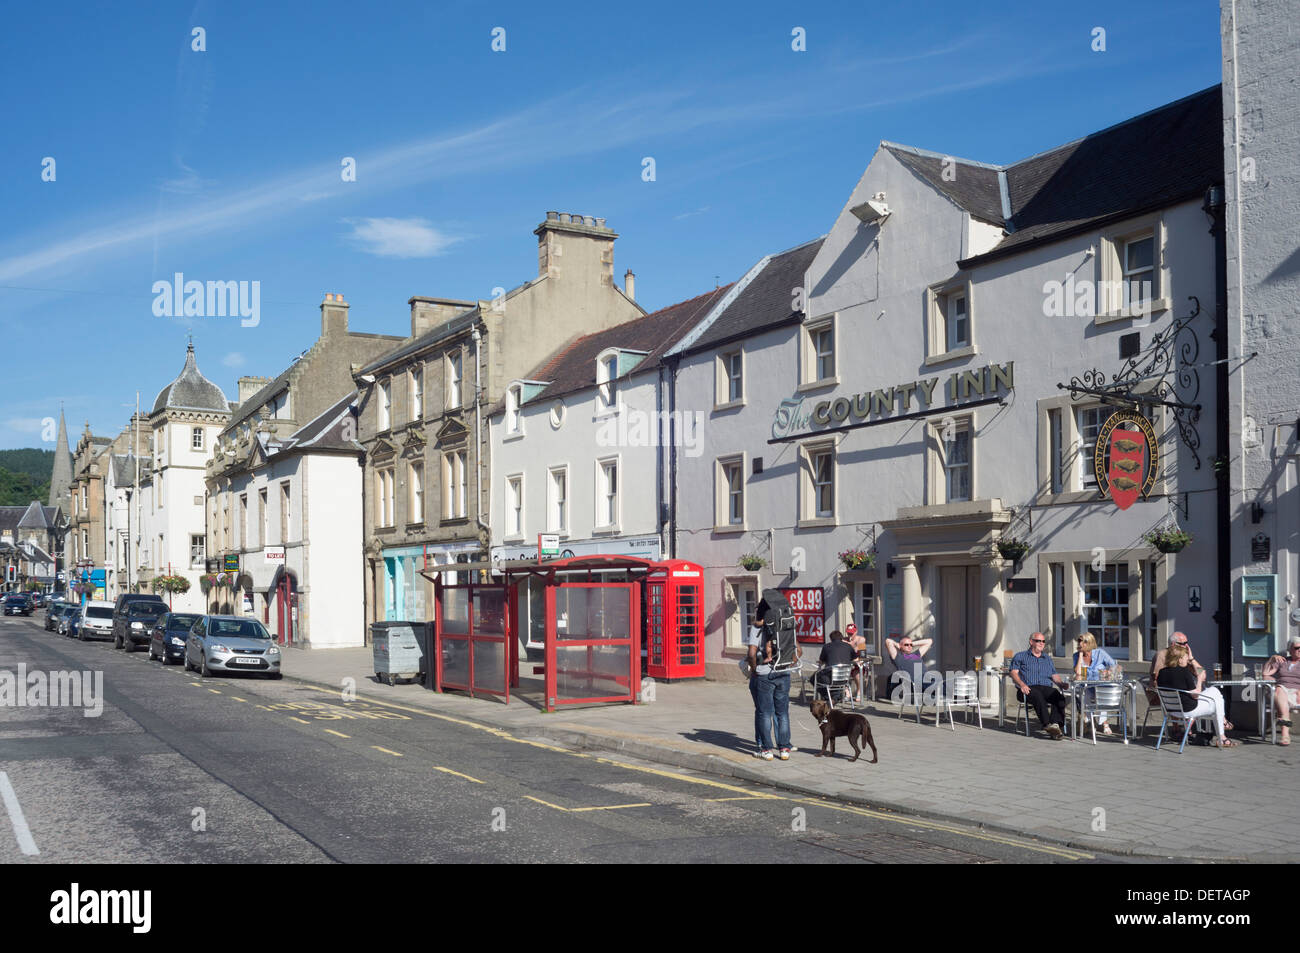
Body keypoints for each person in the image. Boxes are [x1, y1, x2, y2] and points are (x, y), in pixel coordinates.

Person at [745, 603, 801, 761]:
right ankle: (784, 749)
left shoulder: (757, 628)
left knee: (764, 713)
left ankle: (767, 750)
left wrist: (755, 669)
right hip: (783, 673)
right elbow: (799, 651)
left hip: (765, 674)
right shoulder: (785, 626)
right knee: (782, 713)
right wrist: (787, 665)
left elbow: (751, 653)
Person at [1156, 642, 1236, 747]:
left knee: (1214, 693)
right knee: (1217, 699)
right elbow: (1196, 695)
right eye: (1186, 658)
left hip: (1172, 711)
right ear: (1180, 659)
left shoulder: (1161, 672)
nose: (1187, 661)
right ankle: (1222, 735)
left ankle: (1223, 728)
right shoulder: (1184, 672)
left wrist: (1191, 658)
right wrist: (1199, 680)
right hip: (1189, 710)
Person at [1010, 632, 1068, 739]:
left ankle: (1055, 725)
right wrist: (1022, 685)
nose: (1042, 643)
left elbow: (1054, 675)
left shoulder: (1047, 658)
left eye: (1043, 641)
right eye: (1038, 641)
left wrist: (1061, 683)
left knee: (1058, 696)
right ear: (1031, 642)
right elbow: (1013, 673)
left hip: (1045, 688)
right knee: (1037, 695)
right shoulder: (1020, 656)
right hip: (1027, 688)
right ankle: (1047, 724)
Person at [1073, 632, 1118, 735]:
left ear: (1090, 643)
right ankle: (1092, 722)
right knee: (1085, 696)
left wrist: (1109, 671)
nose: (1080, 643)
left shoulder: (1100, 653)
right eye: (1079, 640)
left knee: (1101, 695)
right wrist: (1080, 655)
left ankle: (1104, 723)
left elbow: (1114, 665)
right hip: (1086, 686)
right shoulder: (1076, 656)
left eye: (1083, 641)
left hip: (1101, 685)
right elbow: (1078, 673)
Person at [1262, 636, 1300, 746]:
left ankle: (1285, 733)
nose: (1299, 650)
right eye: (1297, 648)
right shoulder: (1283, 661)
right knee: (1279, 689)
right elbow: (1265, 673)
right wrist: (1271, 659)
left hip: (1295, 692)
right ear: (1290, 649)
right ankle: (1285, 733)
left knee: (1279, 693)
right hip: (1281, 690)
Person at [885, 633, 933, 701]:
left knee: (943, 683)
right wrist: (897, 645)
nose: (909, 646)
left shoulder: (916, 654)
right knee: (940, 687)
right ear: (900, 645)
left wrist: (913, 643)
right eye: (906, 645)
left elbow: (929, 641)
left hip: (928, 679)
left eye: (911, 645)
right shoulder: (898, 657)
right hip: (919, 683)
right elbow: (888, 641)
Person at [815, 629, 857, 705]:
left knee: (814, 678)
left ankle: (829, 698)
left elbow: (821, 661)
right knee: (832, 683)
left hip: (831, 678)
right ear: (841, 638)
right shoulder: (848, 646)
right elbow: (856, 659)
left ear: (831, 639)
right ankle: (835, 697)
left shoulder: (826, 646)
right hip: (845, 679)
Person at [845, 622, 868, 703]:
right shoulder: (844, 640)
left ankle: (859, 691)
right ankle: (847, 692)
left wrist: (851, 645)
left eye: (851, 633)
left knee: (856, 674)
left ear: (856, 632)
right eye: (848, 633)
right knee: (841, 673)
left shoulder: (861, 639)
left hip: (858, 664)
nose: (850, 635)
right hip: (847, 663)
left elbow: (862, 654)